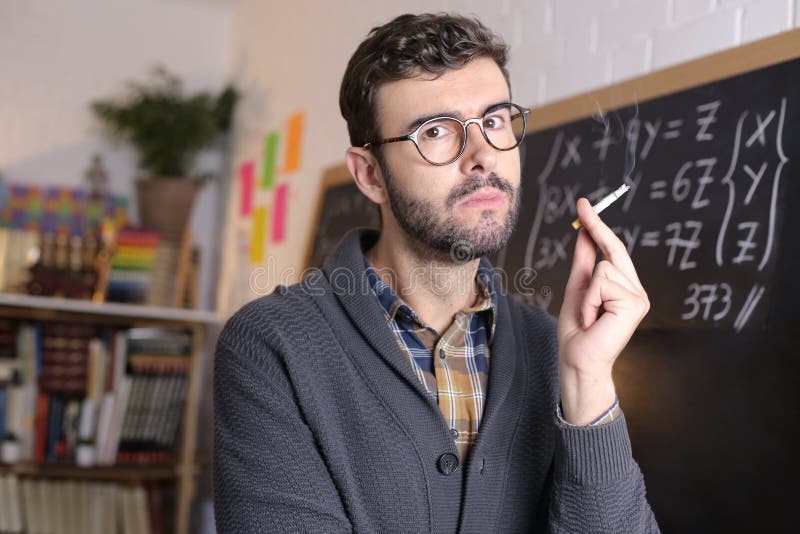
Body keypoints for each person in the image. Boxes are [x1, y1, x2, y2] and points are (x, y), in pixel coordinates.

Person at [214, 13, 659, 533]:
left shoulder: (550, 349)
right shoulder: (273, 346)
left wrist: (586, 381)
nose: (481, 155)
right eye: (436, 131)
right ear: (370, 174)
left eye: (494, 121)